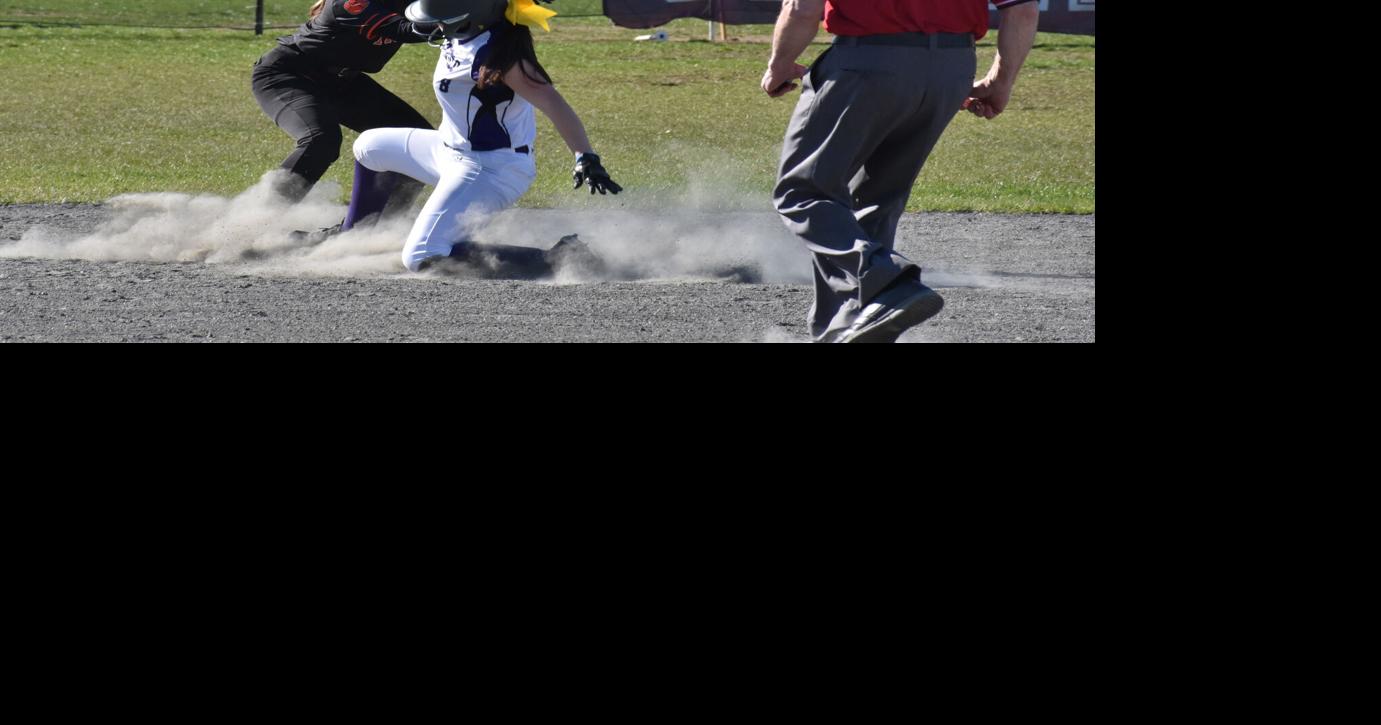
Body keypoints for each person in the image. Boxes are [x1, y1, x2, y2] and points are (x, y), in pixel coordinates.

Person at [763, 0, 1040, 343]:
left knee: (803, 192)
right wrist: (1002, 79)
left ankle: (888, 282)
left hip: (867, 60)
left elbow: (802, 9)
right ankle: (849, 328)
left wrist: (779, 64)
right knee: (876, 201)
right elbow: (1022, 8)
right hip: (951, 67)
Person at [340, 0, 622, 273]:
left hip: (491, 169)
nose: (436, 24)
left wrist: (585, 155)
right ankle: (352, 237)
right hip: (447, 150)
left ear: (472, 16)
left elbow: (552, 102)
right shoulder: (464, 32)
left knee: (422, 256)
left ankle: (560, 257)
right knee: (369, 146)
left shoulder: (500, 56)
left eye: (443, 19)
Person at [251, 0, 440, 204]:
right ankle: (260, 219)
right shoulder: (351, 2)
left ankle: (372, 226)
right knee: (321, 140)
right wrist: (463, 23)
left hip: (343, 81)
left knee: (418, 146)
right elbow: (405, 29)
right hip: (289, 75)